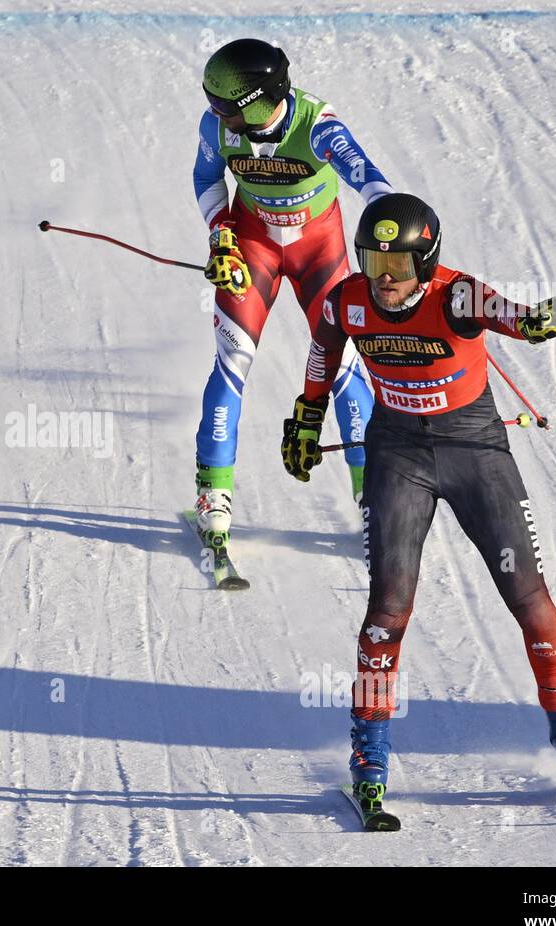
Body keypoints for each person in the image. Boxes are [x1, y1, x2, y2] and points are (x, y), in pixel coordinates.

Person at [281, 192, 556, 821]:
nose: (384, 279)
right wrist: (306, 417)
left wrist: (541, 319)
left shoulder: (455, 296)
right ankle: (370, 758)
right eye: (373, 261)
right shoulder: (348, 298)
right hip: (398, 452)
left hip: (473, 451)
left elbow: (511, 314)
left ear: (427, 261)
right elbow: (325, 348)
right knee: (389, 607)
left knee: (529, 599)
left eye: (399, 267)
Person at [192, 37, 392, 547]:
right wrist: (220, 236)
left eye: (227, 109)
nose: (217, 117)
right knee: (232, 362)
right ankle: (213, 492)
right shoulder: (217, 126)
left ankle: (372, 496)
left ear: (260, 100)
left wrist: (395, 216)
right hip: (251, 247)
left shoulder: (318, 126)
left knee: (344, 366)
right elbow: (206, 176)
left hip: (317, 251)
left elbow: (367, 177)